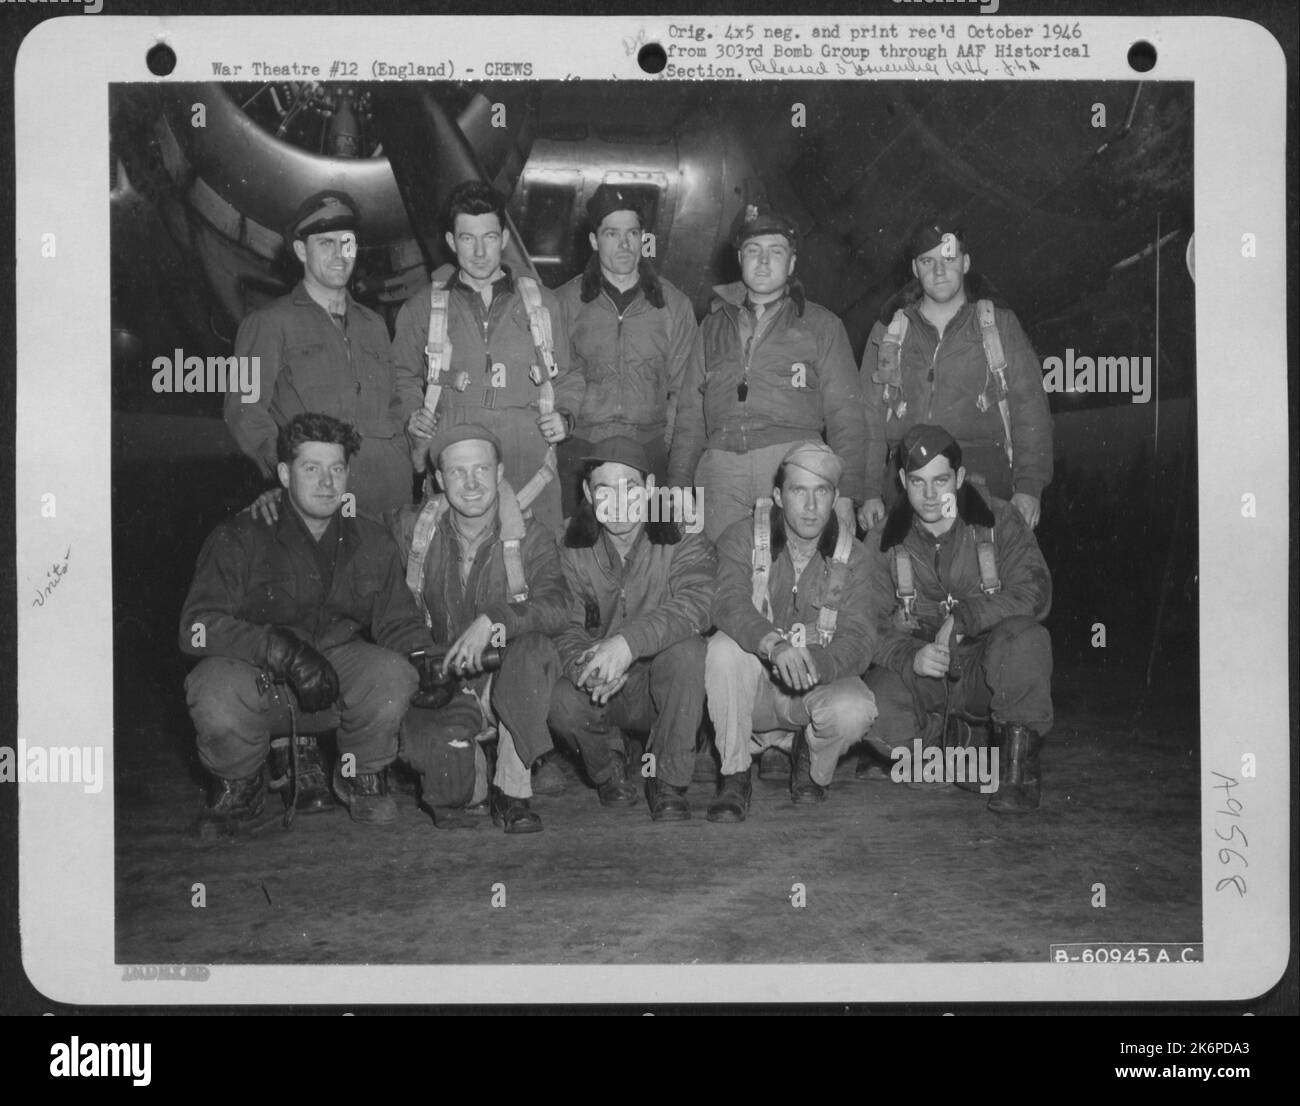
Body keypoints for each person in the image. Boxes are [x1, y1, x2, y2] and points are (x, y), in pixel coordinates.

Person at [181, 412, 436, 833]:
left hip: (333, 680)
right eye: (311, 468)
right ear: (284, 473)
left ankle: (359, 772)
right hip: (260, 681)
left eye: (337, 469)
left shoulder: (370, 539)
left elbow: (398, 620)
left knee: (393, 674)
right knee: (213, 688)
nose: (327, 482)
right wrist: (278, 649)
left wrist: (424, 657)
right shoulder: (240, 535)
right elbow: (196, 627)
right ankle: (240, 782)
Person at [860, 424, 1053, 814]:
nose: (930, 496)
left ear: (960, 477)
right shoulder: (883, 540)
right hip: (925, 669)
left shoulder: (1000, 519)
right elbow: (863, 624)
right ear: (902, 481)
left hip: (986, 661)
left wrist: (966, 617)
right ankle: (948, 748)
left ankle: (1016, 773)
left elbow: (1036, 592)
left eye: (941, 480)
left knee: (1025, 638)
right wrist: (907, 656)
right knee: (873, 713)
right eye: (917, 482)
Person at [389, 423, 570, 833]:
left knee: (535, 649)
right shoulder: (411, 529)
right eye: (457, 472)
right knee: (451, 799)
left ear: (500, 472)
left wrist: (496, 617)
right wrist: (281, 499)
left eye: (482, 470)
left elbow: (559, 606)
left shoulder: (531, 536)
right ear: (438, 479)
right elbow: (353, 535)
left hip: (506, 675)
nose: (471, 484)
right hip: (443, 679)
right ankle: (468, 765)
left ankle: (512, 787)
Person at [667, 204, 867, 543]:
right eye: (752, 251)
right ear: (739, 259)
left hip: (794, 468)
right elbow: (689, 415)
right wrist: (678, 484)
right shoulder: (711, 327)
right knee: (724, 574)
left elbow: (846, 415)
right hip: (721, 473)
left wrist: (845, 494)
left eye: (775, 252)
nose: (762, 261)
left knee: (795, 576)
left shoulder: (822, 326)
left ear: (791, 263)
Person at [705, 441, 878, 822]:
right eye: (799, 491)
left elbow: (861, 639)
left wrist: (813, 665)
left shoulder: (857, 559)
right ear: (779, 496)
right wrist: (773, 645)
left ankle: (812, 763)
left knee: (856, 707)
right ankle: (734, 775)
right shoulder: (742, 538)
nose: (811, 506)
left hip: (811, 691)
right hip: (754, 687)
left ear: (835, 497)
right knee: (721, 649)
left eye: (822, 492)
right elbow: (727, 603)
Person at [392, 180, 578, 532]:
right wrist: (411, 416)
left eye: (489, 237)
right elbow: (401, 377)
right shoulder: (422, 310)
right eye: (467, 238)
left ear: (504, 239)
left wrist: (566, 416)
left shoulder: (544, 305)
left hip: (530, 472)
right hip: (457, 474)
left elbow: (569, 376)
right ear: (450, 242)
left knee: (538, 576)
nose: (479, 252)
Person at [547, 437, 715, 820]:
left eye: (631, 489)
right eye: (605, 489)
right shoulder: (568, 544)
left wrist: (627, 642)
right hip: (603, 685)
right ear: (588, 492)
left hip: (660, 687)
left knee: (689, 650)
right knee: (561, 700)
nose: (619, 502)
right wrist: (584, 666)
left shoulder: (682, 533)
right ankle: (609, 770)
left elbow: (700, 603)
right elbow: (562, 623)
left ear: (652, 488)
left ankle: (667, 778)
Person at [226, 191, 421, 520]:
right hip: (318, 502)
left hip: (388, 502)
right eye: (326, 244)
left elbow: (395, 406)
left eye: (347, 243)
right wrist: (289, 474)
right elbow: (244, 414)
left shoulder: (374, 325)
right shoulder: (267, 324)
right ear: (301, 250)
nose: (340, 255)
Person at [858, 216, 1053, 532]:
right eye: (927, 261)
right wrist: (867, 493)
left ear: (965, 262)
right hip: (905, 486)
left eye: (948, 258)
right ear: (914, 269)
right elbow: (867, 418)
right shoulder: (887, 332)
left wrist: (1029, 487)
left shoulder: (999, 326)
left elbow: (1030, 409)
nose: (938, 270)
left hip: (982, 486)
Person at [554, 184, 698, 515]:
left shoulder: (674, 304)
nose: (624, 244)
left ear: (643, 238)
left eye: (632, 233)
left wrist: (673, 463)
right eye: (611, 234)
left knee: (661, 549)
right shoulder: (562, 303)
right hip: (581, 449)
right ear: (593, 240)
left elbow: (686, 394)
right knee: (575, 551)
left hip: (650, 448)